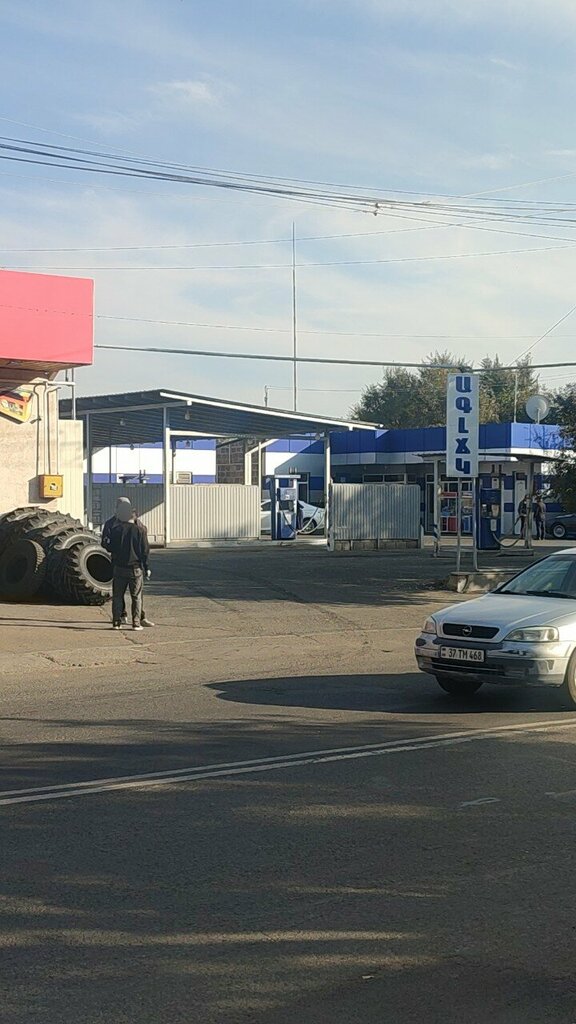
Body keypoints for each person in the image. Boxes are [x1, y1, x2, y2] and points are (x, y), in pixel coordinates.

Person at [102, 498, 154, 626]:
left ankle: (128, 619)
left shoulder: (135, 524)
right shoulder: (111, 524)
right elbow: (144, 548)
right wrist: (146, 565)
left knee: (121, 594)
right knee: (132, 594)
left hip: (121, 564)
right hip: (129, 564)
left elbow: (108, 544)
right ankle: (129, 618)